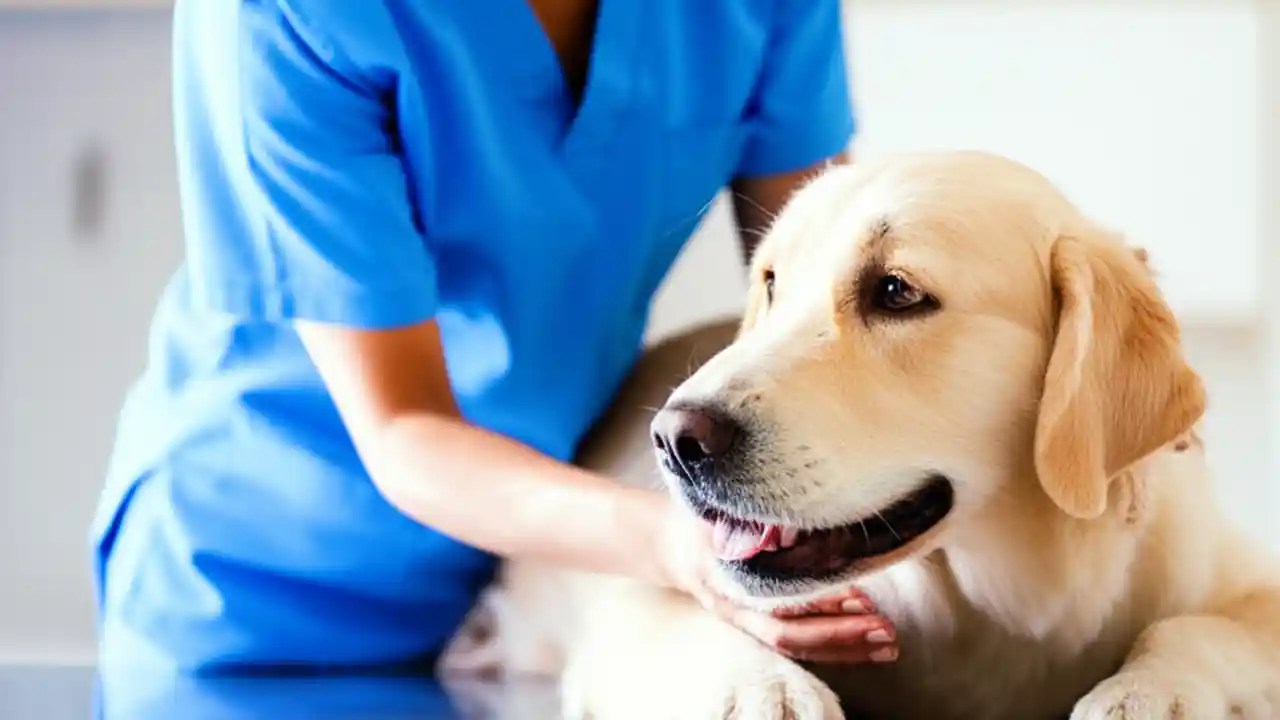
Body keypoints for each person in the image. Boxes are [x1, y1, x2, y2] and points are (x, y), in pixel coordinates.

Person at [91, 0, 893, 673]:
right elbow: (405, 426)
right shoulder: (291, 14)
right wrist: (688, 549)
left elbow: (819, 315)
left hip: (526, 585)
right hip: (254, 597)